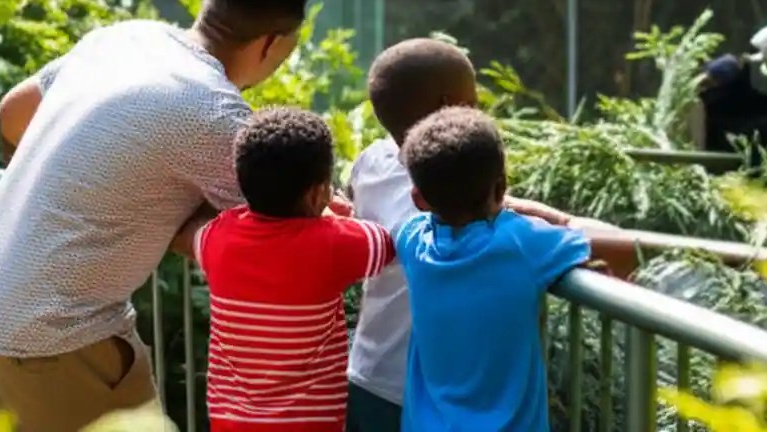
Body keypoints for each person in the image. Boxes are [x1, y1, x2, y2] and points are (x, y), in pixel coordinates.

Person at [0, 0, 318, 431]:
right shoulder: (215, 115)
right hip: (58, 337)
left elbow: (14, 112)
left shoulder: (127, 38)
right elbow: (274, 235)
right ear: (272, 44)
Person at [344, 38, 583, 432]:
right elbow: (479, 208)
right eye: (472, 102)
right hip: (418, 393)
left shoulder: (370, 163)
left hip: (372, 370)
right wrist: (561, 218)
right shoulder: (441, 196)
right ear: (445, 106)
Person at [394, 106, 632, 431]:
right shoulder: (520, 244)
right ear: (502, 186)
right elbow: (623, 247)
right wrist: (556, 217)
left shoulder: (411, 239)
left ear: (418, 198)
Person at [193, 106, 394, 431]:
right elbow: (384, 243)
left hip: (231, 424)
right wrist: (338, 215)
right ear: (317, 194)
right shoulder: (333, 244)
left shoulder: (216, 238)